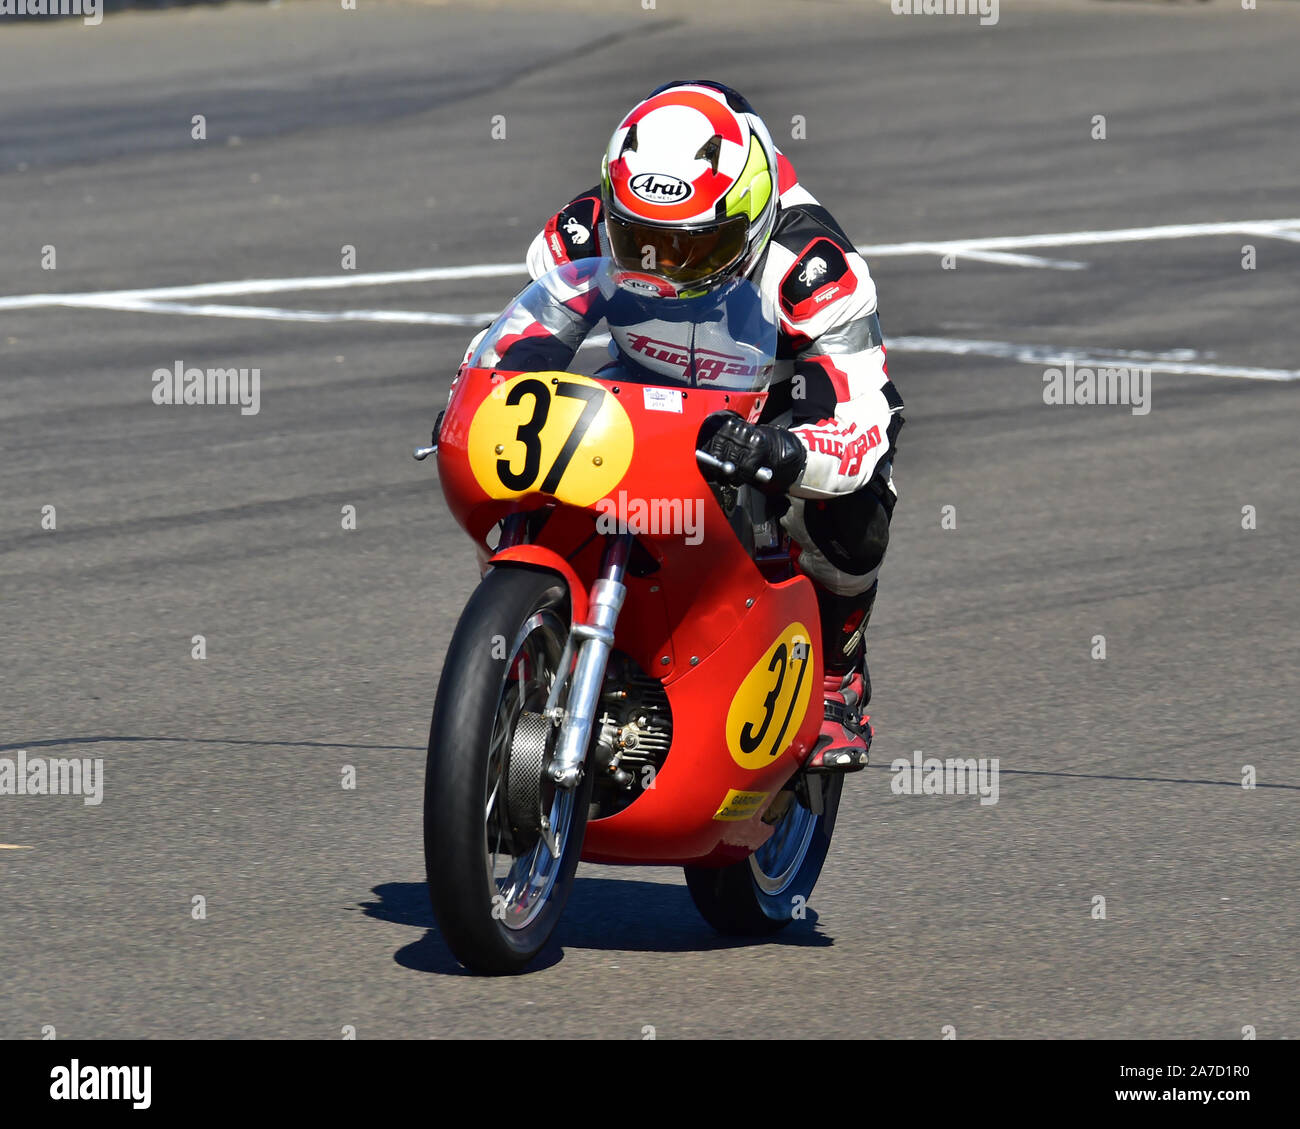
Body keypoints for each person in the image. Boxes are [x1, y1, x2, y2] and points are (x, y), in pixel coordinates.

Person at [479, 80, 904, 772]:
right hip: (638, 395)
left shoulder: (816, 266)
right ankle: (528, 646)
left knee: (854, 503)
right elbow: (523, 338)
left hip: (764, 416)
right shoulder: (588, 227)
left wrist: (783, 452)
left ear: (749, 219)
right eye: (641, 243)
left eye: (691, 249)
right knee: (529, 464)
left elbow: (862, 419)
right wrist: (486, 401)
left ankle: (835, 679)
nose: (662, 269)